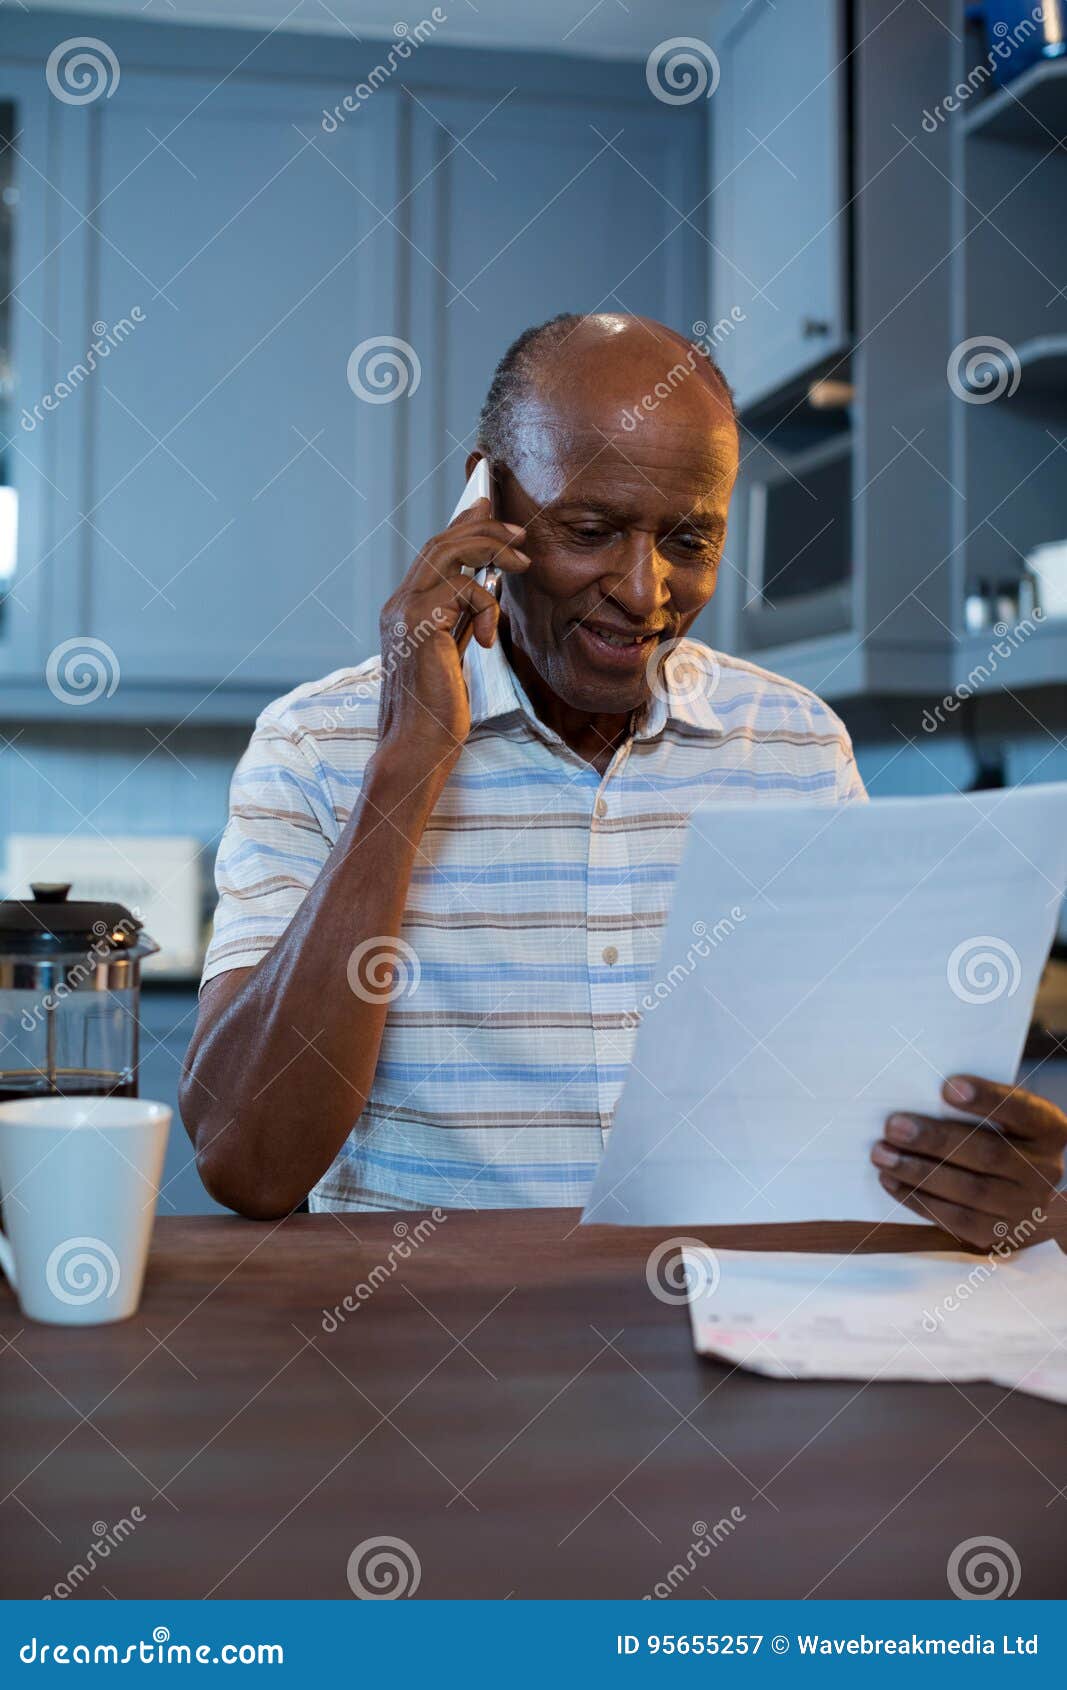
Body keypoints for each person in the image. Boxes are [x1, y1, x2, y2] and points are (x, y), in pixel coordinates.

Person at [180, 313, 1066, 1240]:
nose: (644, 594)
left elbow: (849, 1095)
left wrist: (982, 1174)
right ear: (485, 501)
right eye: (591, 530)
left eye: (689, 542)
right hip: (417, 1335)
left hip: (711, 1321)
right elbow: (248, 1165)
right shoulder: (317, 743)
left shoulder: (795, 745)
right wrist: (410, 757)